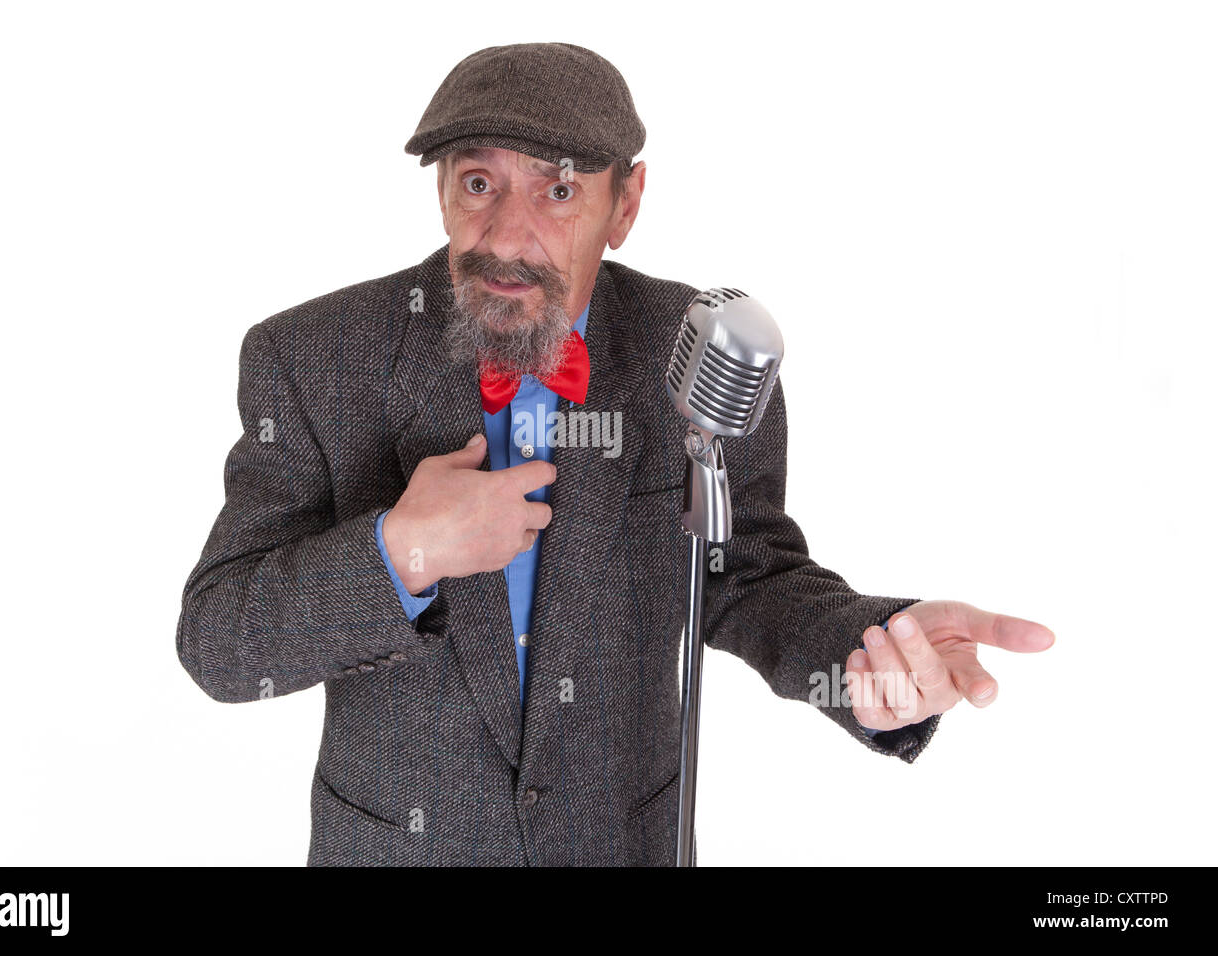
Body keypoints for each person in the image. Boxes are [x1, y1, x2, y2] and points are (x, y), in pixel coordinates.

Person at [176, 42, 1055, 866]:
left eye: (557, 194)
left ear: (624, 204)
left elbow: (744, 577)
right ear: (442, 188)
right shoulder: (311, 357)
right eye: (478, 183)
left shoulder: (704, 350)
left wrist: (864, 659)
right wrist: (402, 552)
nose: (507, 237)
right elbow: (219, 644)